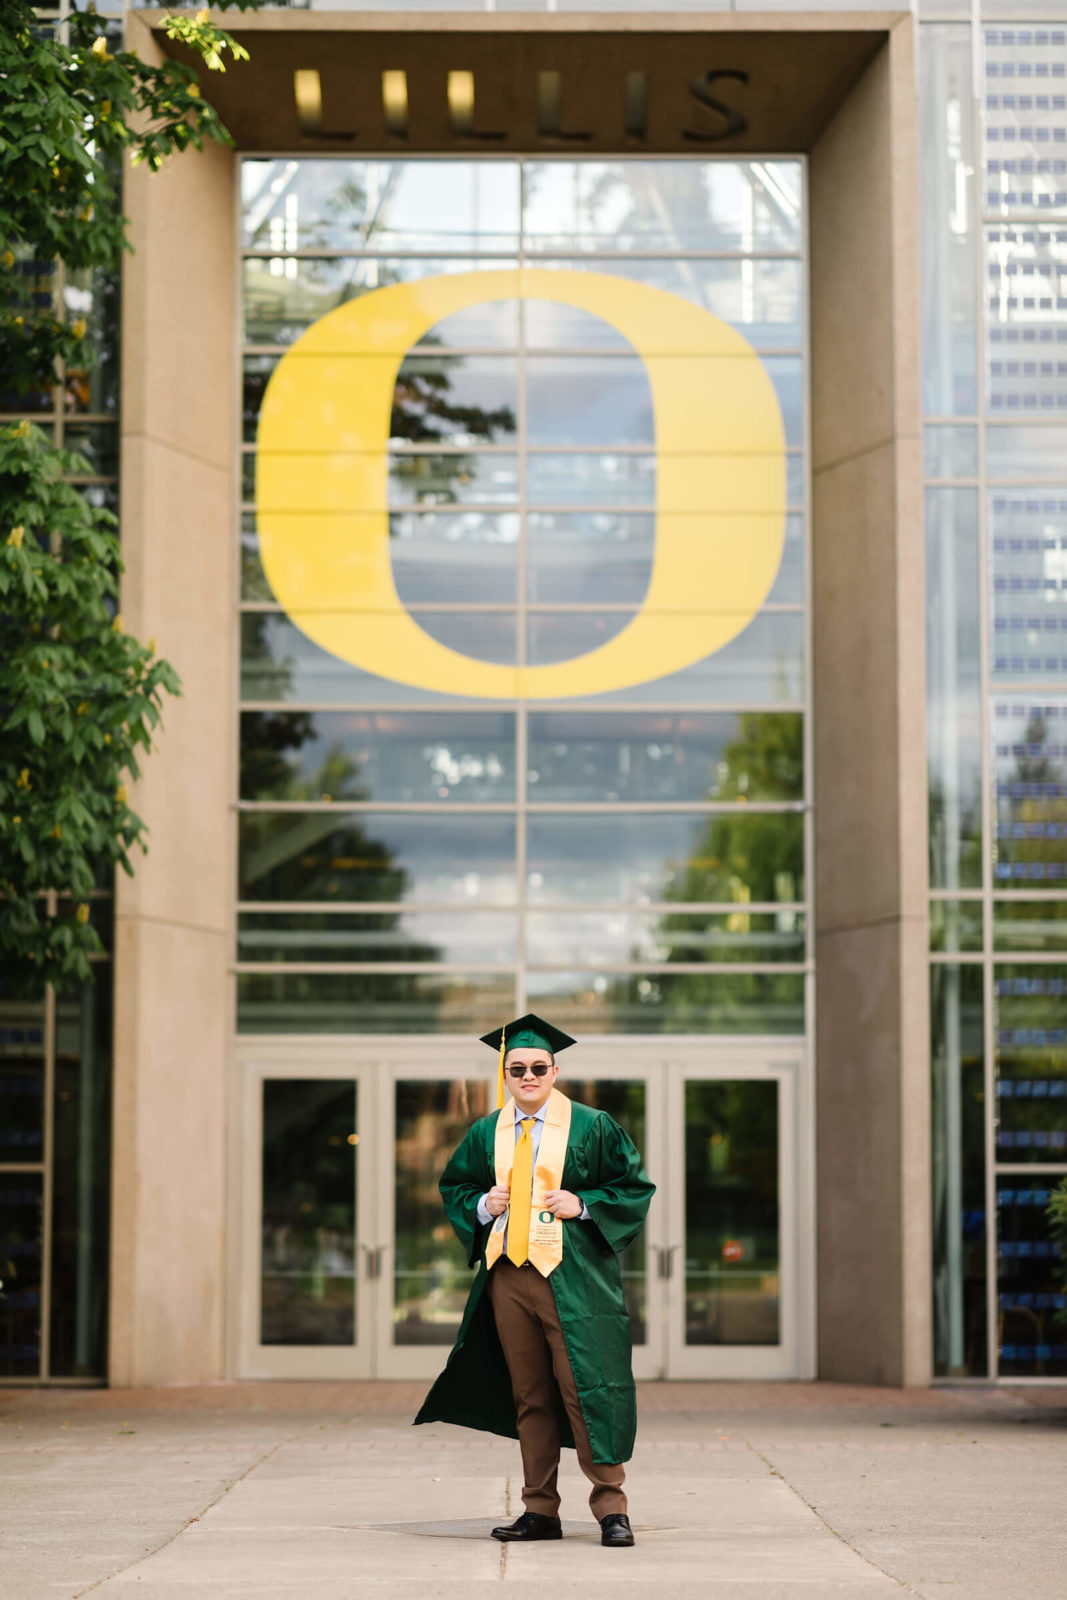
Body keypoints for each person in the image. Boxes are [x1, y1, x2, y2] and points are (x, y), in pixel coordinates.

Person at [414, 1013, 655, 1548]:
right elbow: (457, 1185)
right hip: (507, 1279)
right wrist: (481, 1203)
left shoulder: (592, 1126)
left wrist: (585, 1203)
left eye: (538, 1067)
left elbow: (633, 1187)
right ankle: (540, 1510)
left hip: (575, 1282)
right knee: (530, 1397)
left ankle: (611, 1509)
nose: (528, 1076)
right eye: (517, 1067)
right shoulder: (486, 1131)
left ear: (555, 1069)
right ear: (505, 1073)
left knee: (587, 1389)